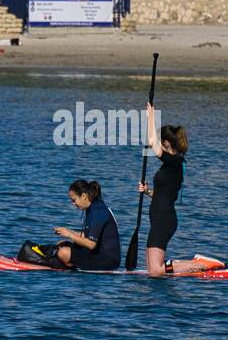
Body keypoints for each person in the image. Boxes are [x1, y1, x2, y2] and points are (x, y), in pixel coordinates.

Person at [137, 102, 211, 277]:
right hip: (158, 219)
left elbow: (151, 143)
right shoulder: (170, 166)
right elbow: (164, 195)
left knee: (155, 271)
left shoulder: (175, 162)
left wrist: (151, 118)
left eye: (160, 142)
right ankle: (186, 266)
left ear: (166, 143)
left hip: (164, 220)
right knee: (151, 270)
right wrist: (148, 192)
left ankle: (197, 266)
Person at [53, 180, 121, 271]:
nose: (73, 204)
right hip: (98, 252)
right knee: (60, 244)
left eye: (74, 200)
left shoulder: (98, 211)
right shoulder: (92, 207)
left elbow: (91, 244)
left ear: (84, 196)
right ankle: (72, 263)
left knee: (63, 253)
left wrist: (69, 235)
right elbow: (87, 235)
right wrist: (68, 232)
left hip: (108, 260)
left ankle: (72, 266)